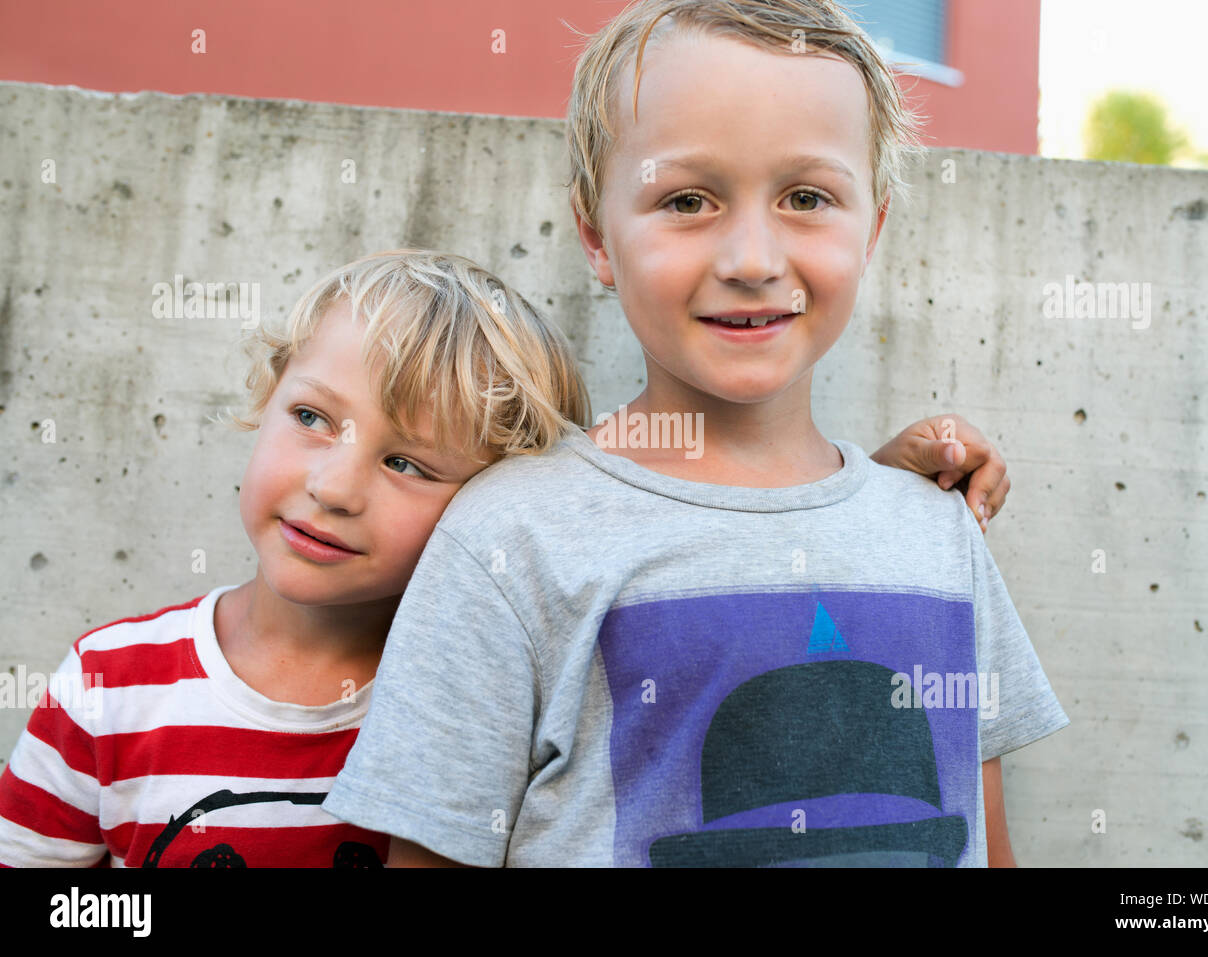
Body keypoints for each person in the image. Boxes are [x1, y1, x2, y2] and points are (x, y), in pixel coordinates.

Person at [321, 0, 1067, 867]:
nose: (751, 259)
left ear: (875, 228)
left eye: (806, 197)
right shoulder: (508, 541)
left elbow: (989, 842)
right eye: (687, 199)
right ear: (598, 235)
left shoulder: (938, 534)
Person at [0, 249, 588, 866]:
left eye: (406, 463)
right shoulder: (112, 681)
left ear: (493, 506)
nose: (333, 488)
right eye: (312, 417)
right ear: (267, 393)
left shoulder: (478, 715)